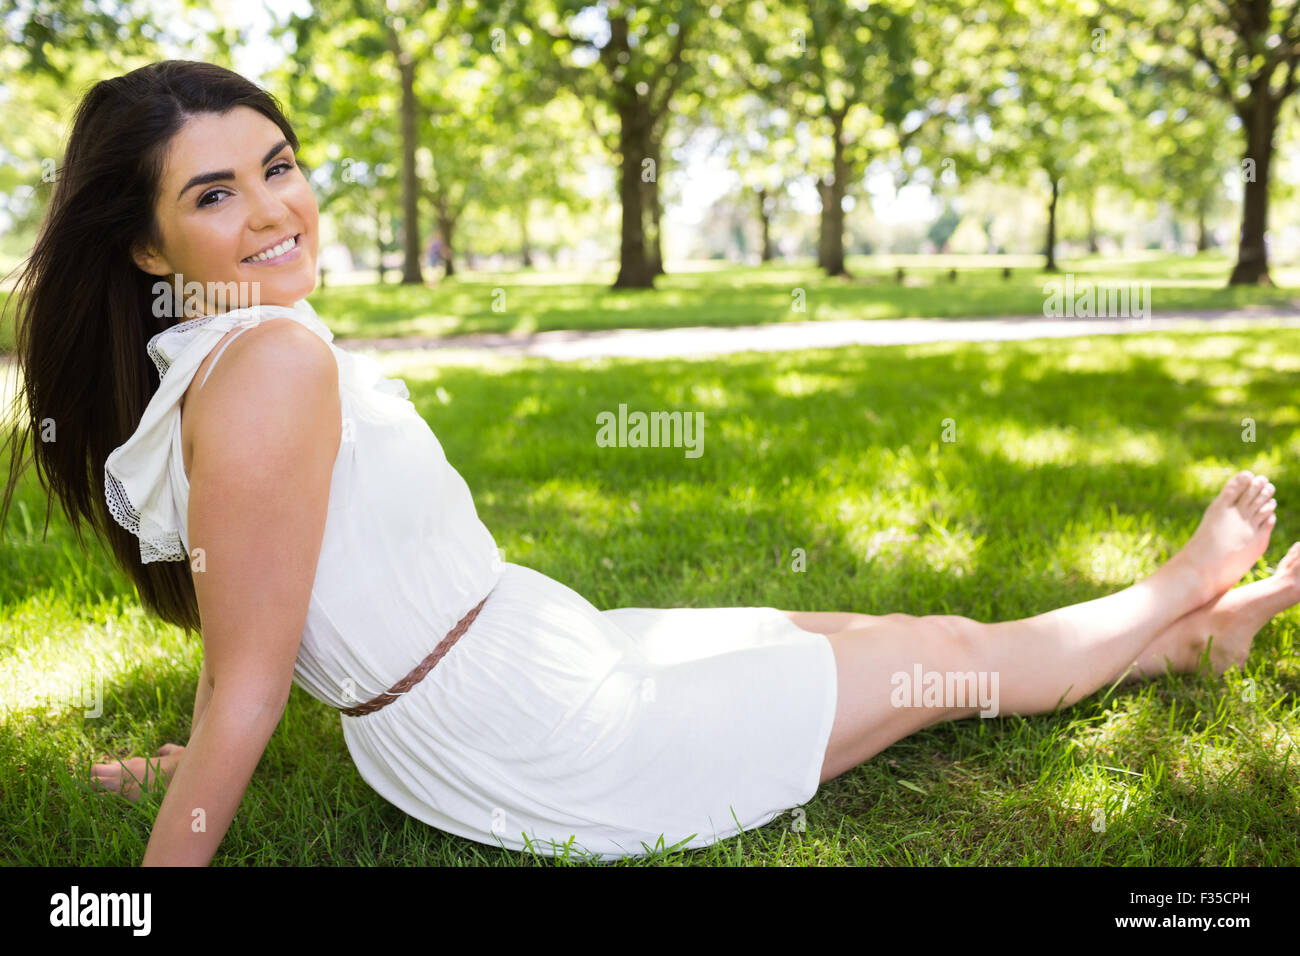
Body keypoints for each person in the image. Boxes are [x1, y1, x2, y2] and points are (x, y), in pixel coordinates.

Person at [2, 61, 1295, 867]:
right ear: (151, 250)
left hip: (542, 655)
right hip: (546, 737)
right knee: (942, 650)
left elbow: (258, 624)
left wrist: (184, 756)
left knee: (892, 635)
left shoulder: (230, 356)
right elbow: (252, 686)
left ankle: (1197, 642)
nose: (276, 209)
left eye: (277, 167)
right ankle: (1180, 589)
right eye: (217, 194)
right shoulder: (268, 368)